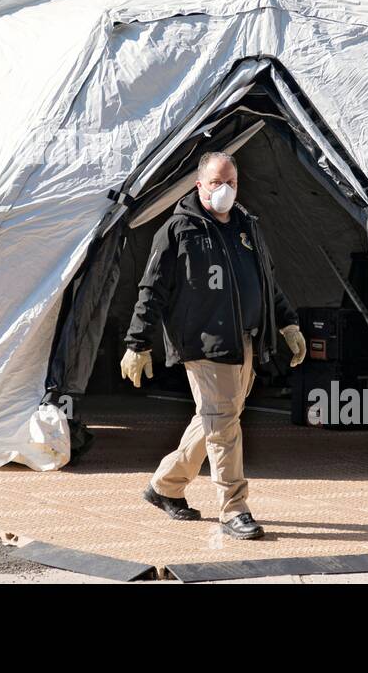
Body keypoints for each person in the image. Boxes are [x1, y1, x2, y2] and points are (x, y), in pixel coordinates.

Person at [122, 151, 306, 540]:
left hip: (244, 343)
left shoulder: (247, 227)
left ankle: (165, 486)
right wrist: (137, 343)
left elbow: (267, 282)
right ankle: (234, 508)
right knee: (224, 426)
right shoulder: (177, 231)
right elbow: (151, 290)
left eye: (231, 183)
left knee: (215, 420)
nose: (224, 190)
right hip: (205, 345)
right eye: (216, 182)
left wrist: (288, 322)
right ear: (199, 184)